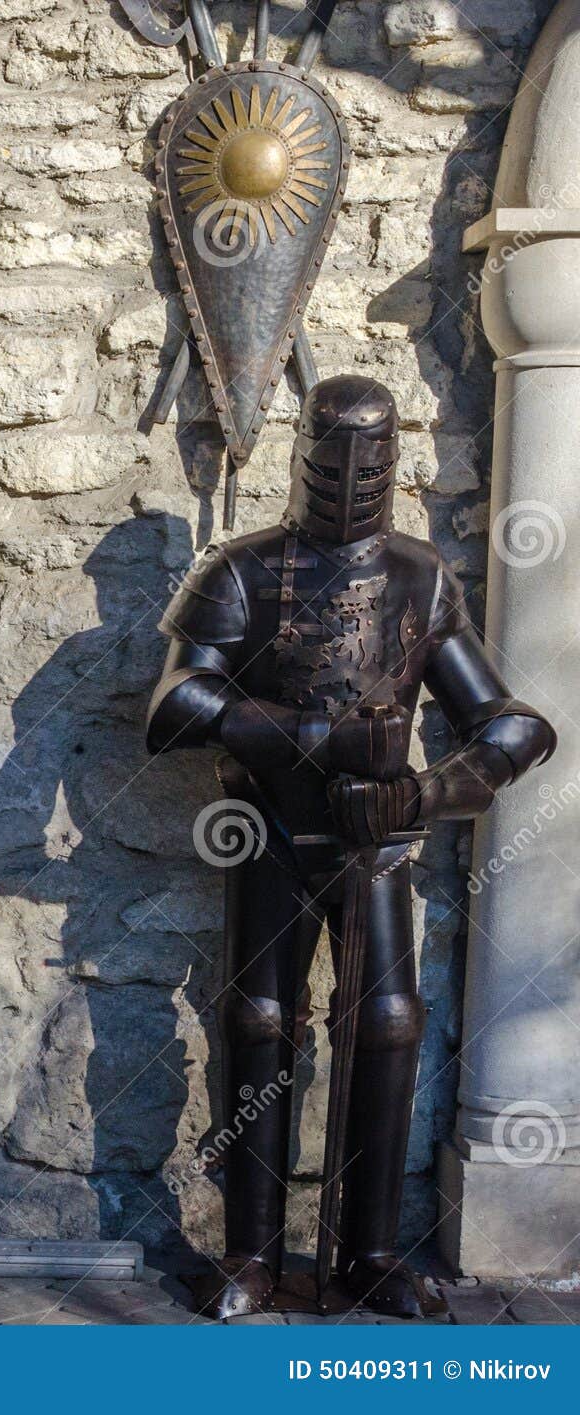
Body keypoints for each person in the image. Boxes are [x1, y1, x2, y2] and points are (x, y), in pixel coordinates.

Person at [146, 376, 555, 1317]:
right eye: (332, 459)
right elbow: (173, 707)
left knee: (388, 1025)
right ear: (301, 455)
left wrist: (425, 788)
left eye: (370, 460)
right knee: (258, 1019)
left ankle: (369, 1250)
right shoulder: (240, 570)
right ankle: (250, 1250)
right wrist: (315, 737)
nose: (350, 479)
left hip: (376, 842)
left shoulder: (420, 577)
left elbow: (506, 723)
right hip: (272, 830)